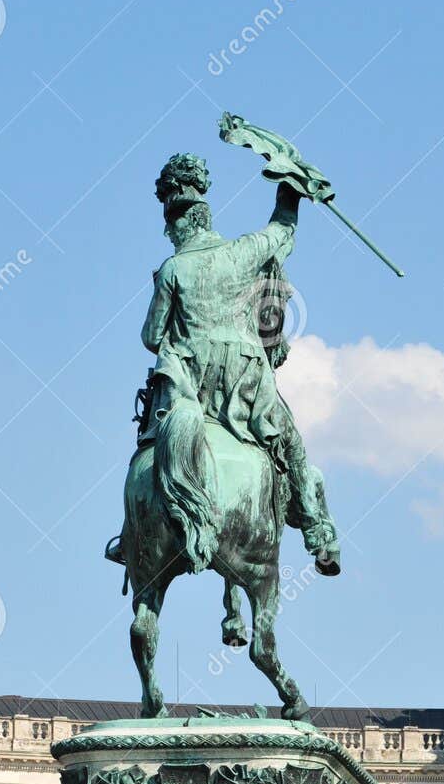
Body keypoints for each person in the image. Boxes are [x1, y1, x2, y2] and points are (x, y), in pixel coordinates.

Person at [131, 153, 340, 575]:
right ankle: (319, 533)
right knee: (291, 443)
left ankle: (134, 535)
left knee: (152, 448)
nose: (168, 234)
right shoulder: (244, 252)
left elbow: (151, 338)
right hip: (246, 380)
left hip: (190, 382)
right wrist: (291, 188)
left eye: (170, 226)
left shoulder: (174, 267)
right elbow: (282, 230)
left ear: (182, 224)